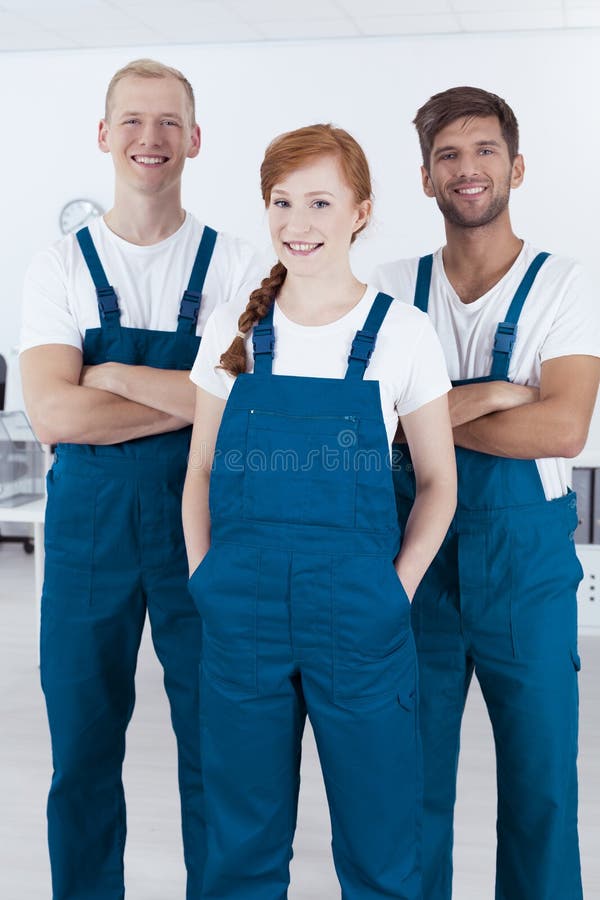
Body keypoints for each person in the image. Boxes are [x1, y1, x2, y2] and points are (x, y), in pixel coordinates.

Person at [182, 123, 457, 898]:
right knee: (239, 846)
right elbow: (199, 469)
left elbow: (439, 481)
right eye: (281, 201)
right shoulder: (235, 328)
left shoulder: (402, 333)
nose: (296, 222)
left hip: (360, 618)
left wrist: (396, 590)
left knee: (381, 846)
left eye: (320, 202)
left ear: (360, 212)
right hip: (242, 614)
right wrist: (205, 576)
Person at [20, 58, 262, 899]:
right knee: (82, 748)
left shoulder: (239, 265)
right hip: (88, 535)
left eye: (167, 122)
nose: (149, 138)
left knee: (218, 744)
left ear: (195, 139)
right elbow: (55, 415)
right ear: (103, 134)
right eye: (131, 119)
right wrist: (199, 396)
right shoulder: (58, 267)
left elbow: (252, 408)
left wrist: (114, 375)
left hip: (206, 523)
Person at [372, 86, 600, 900]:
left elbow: (562, 429)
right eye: (448, 156)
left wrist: (422, 419)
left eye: (484, 151)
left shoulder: (566, 285)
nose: (467, 169)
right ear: (426, 177)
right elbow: (367, 428)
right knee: (407, 791)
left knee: (542, 793)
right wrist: (502, 394)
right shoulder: (390, 288)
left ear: (517, 166)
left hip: (525, 571)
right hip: (413, 564)